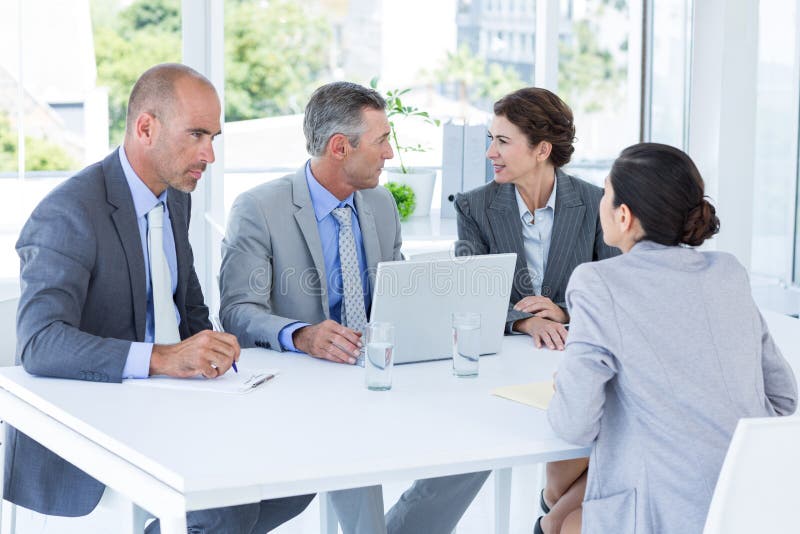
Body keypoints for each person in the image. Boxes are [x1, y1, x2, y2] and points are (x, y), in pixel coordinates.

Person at [8, 63, 313, 533]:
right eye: (196, 135)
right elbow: (39, 344)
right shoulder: (68, 212)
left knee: (296, 474)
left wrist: (213, 347)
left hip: (179, 406)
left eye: (214, 136)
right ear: (145, 128)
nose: (209, 154)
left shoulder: (175, 196)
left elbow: (187, 307)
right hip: (101, 414)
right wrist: (163, 358)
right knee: (224, 509)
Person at [219, 81, 488, 534]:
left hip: (381, 370)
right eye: (382, 140)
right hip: (309, 386)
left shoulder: (381, 204)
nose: (389, 154)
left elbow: (398, 290)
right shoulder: (259, 208)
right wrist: (301, 334)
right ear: (340, 147)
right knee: (348, 442)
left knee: (479, 441)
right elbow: (237, 310)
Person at [547, 142, 798, 534]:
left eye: (606, 194)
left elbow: (573, 425)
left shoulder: (599, 282)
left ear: (624, 216)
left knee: (559, 509)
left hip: (671, 512)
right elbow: (784, 399)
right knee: (557, 512)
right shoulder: (727, 272)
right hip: (754, 506)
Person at [453, 87, 618, 531]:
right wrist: (523, 320)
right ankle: (553, 514)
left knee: (599, 431)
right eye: (492, 139)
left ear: (542, 149)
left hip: (576, 360)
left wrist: (563, 312)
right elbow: (468, 290)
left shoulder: (595, 203)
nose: (491, 152)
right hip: (503, 365)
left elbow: (618, 290)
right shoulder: (475, 206)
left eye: (503, 141)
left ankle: (551, 511)